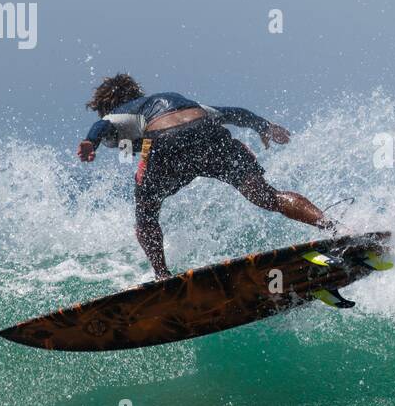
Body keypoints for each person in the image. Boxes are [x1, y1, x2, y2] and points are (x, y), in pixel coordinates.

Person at [77, 73, 334, 279]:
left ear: (106, 105)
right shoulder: (176, 100)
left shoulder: (119, 113)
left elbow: (104, 126)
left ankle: (162, 276)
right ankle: (333, 227)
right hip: (206, 131)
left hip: (166, 142)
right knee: (266, 195)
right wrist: (264, 126)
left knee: (146, 215)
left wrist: (91, 142)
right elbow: (234, 113)